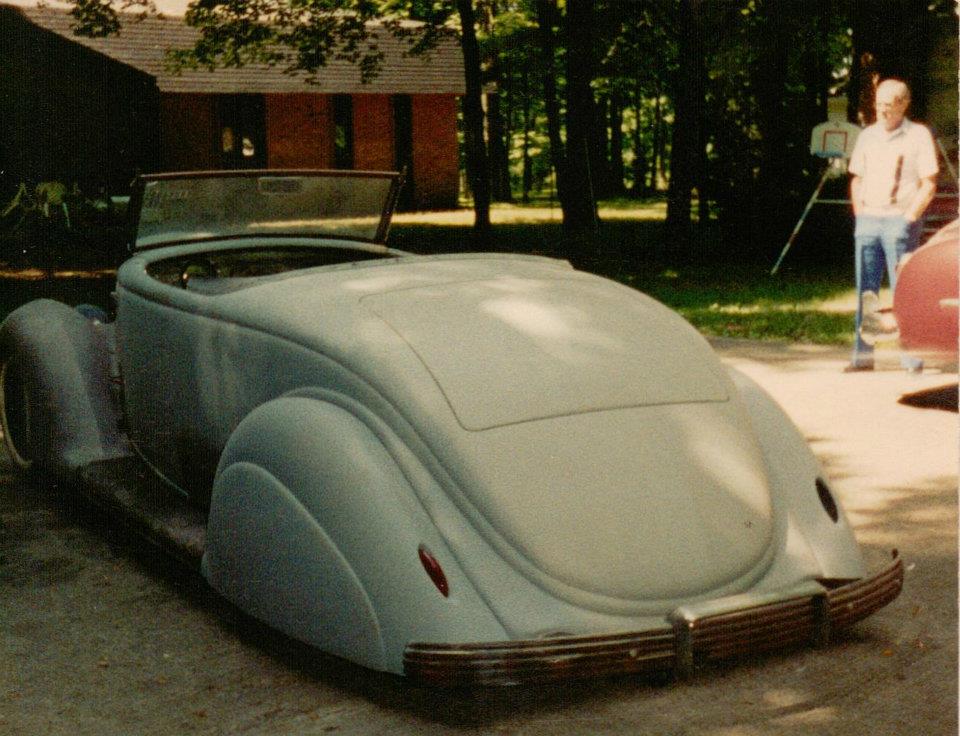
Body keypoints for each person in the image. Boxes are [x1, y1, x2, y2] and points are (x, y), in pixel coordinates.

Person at [845, 78, 938, 372]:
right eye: (879, 105)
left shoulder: (918, 135)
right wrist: (860, 213)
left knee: (904, 292)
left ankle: (911, 359)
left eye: (890, 105)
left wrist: (909, 218)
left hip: (899, 222)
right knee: (866, 292)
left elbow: (929, 183)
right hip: (869, 221)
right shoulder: (867, 136)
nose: (883, 111)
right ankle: (863, 358)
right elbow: (857, 178)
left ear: (904, 105)